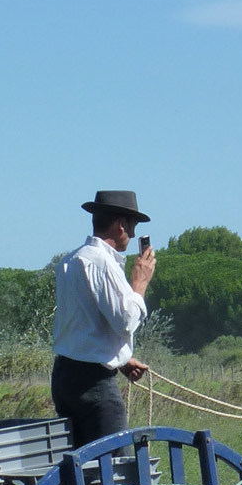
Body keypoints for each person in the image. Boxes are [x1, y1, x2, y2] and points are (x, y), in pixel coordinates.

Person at [51, 189, 156, 446]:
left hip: (65, 377)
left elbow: (83, 327)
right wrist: (140, 284)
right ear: (121, 225)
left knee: (80, 462)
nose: (133, 235)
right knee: (114, 464)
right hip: (93, 384)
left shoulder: (70, 261)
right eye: (132, 227)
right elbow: (125, 321)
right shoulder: (102, 263)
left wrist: (120, 360)